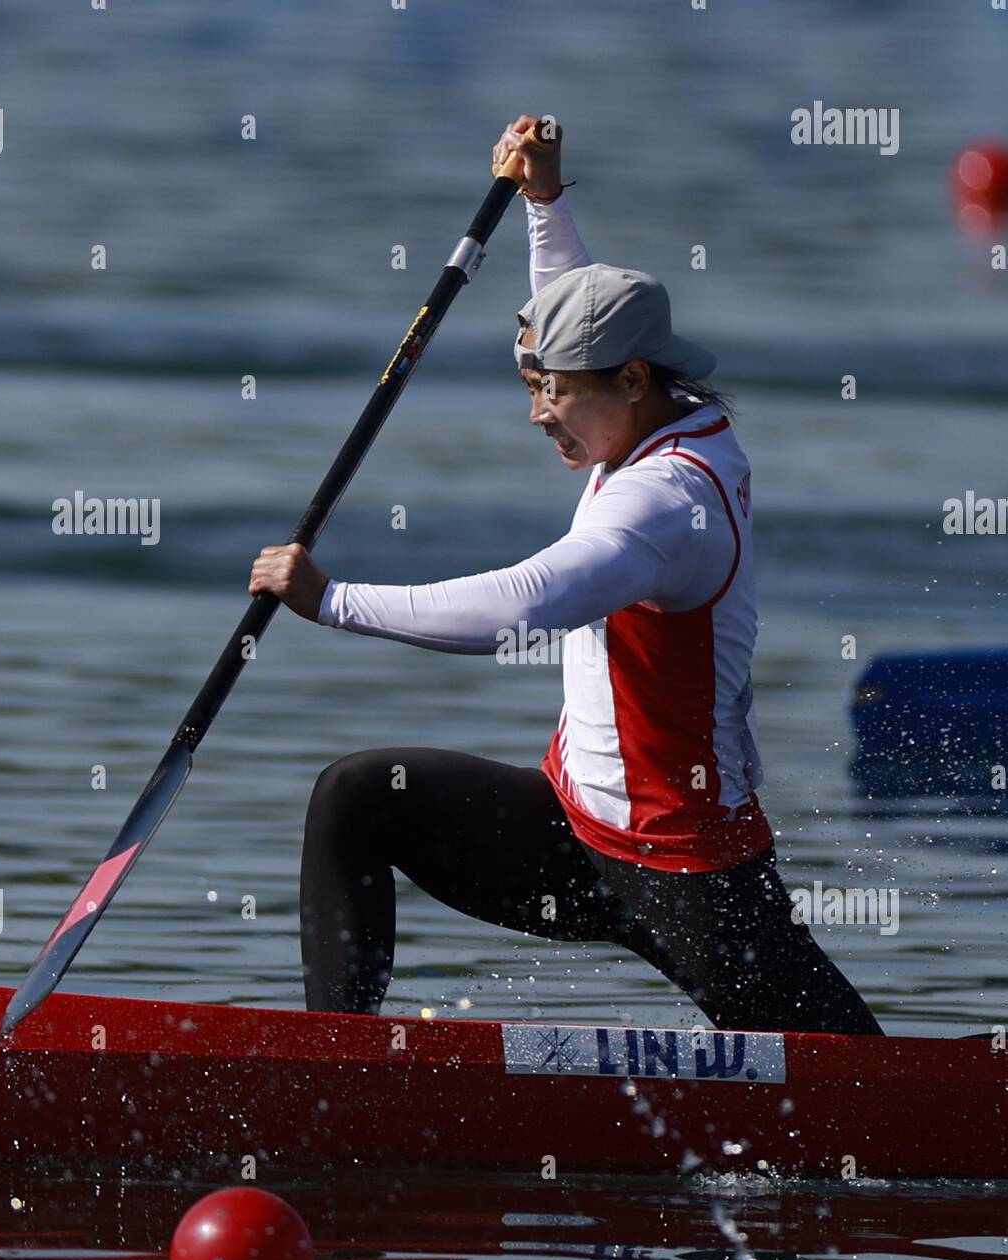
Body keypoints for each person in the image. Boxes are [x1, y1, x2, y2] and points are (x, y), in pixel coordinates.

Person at [248, 115, 882, 1036]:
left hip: (684, 868)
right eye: (530, 385)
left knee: (851, 1085)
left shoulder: (667, 502)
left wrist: (335, 601)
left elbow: (528, 603)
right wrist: (543, 201)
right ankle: (339, 1071)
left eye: (556, 392)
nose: (540, 415)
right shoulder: (636, 415)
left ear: (633, 380)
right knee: (355, 797)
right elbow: (573, 309)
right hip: (568, 828)